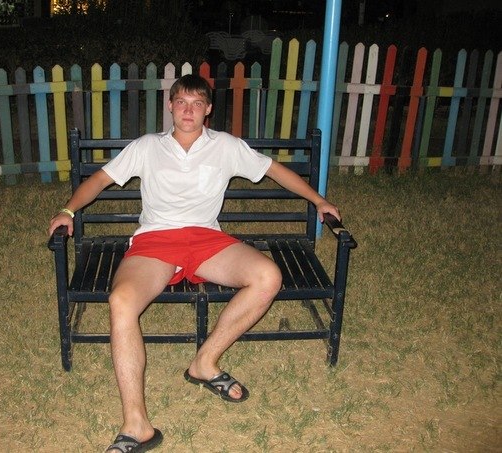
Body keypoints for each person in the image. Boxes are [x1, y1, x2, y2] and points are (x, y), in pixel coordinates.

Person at [48, 74, 340, 453]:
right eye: (182, 102)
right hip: (156, 240)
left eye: (197, 103)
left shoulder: (226, 146)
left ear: (208, 110)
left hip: (206, 240)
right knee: (121, 302)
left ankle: (205, 362)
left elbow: (273, 169)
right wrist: (68, 210)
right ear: (170, 106)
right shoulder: (147, 147)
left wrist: (318, 200)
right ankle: (137, 424)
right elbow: (100, 179)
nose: (188, 110)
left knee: (268, 276)